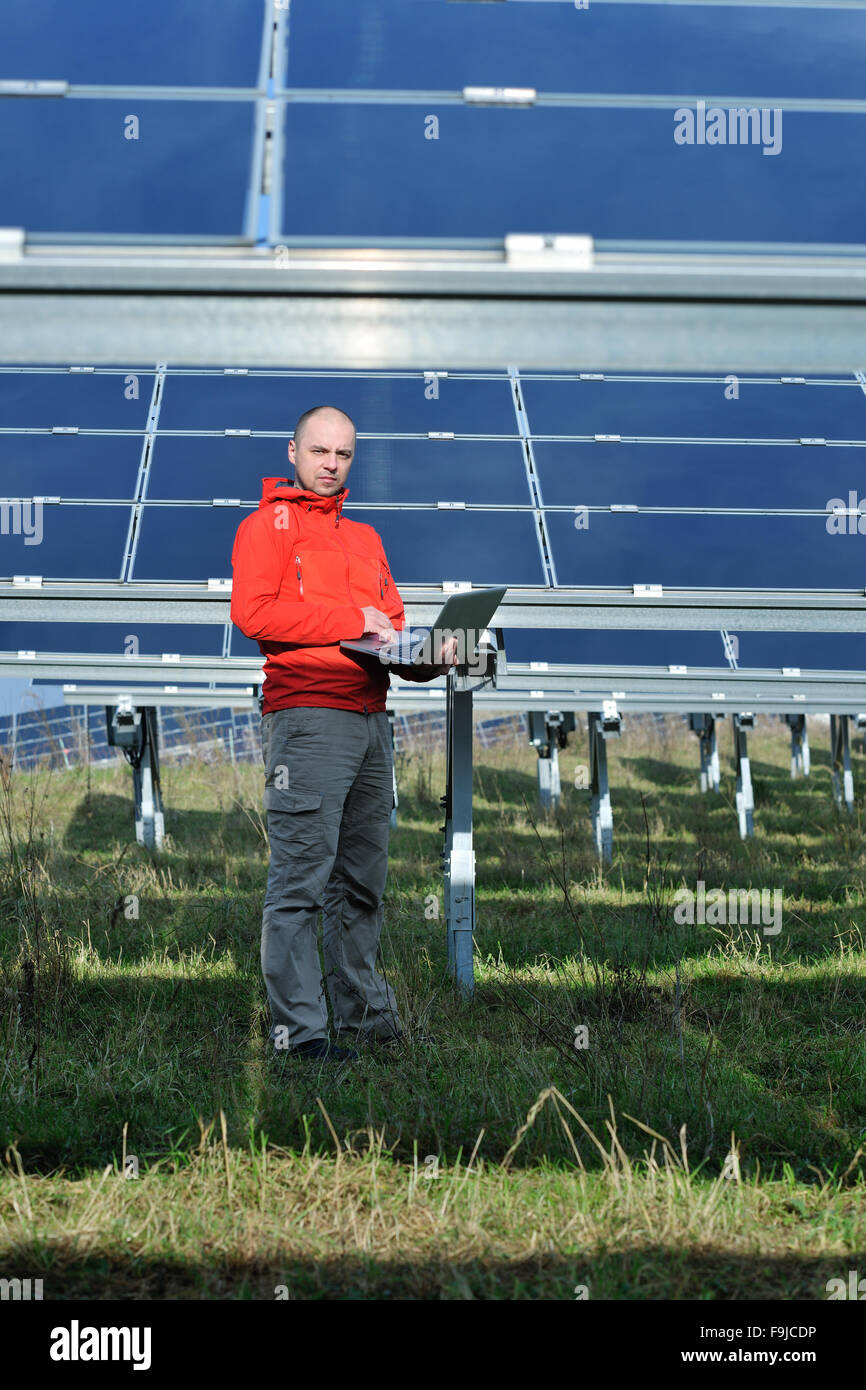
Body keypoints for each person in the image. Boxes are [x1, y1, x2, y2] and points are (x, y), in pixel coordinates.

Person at [230, 405, 457, 1063]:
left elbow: (386, 634)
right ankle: (301, 1034)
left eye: (344, 455)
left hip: (371, 720)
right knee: (301, 877)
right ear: (293, 451)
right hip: (308, 718)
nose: (331, 464)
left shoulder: (366, 539)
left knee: (362, 878)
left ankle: (362, 1016)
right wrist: (347, 615)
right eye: (320, 451)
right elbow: (256, 613)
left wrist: (432, 655)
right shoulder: (265, 527)